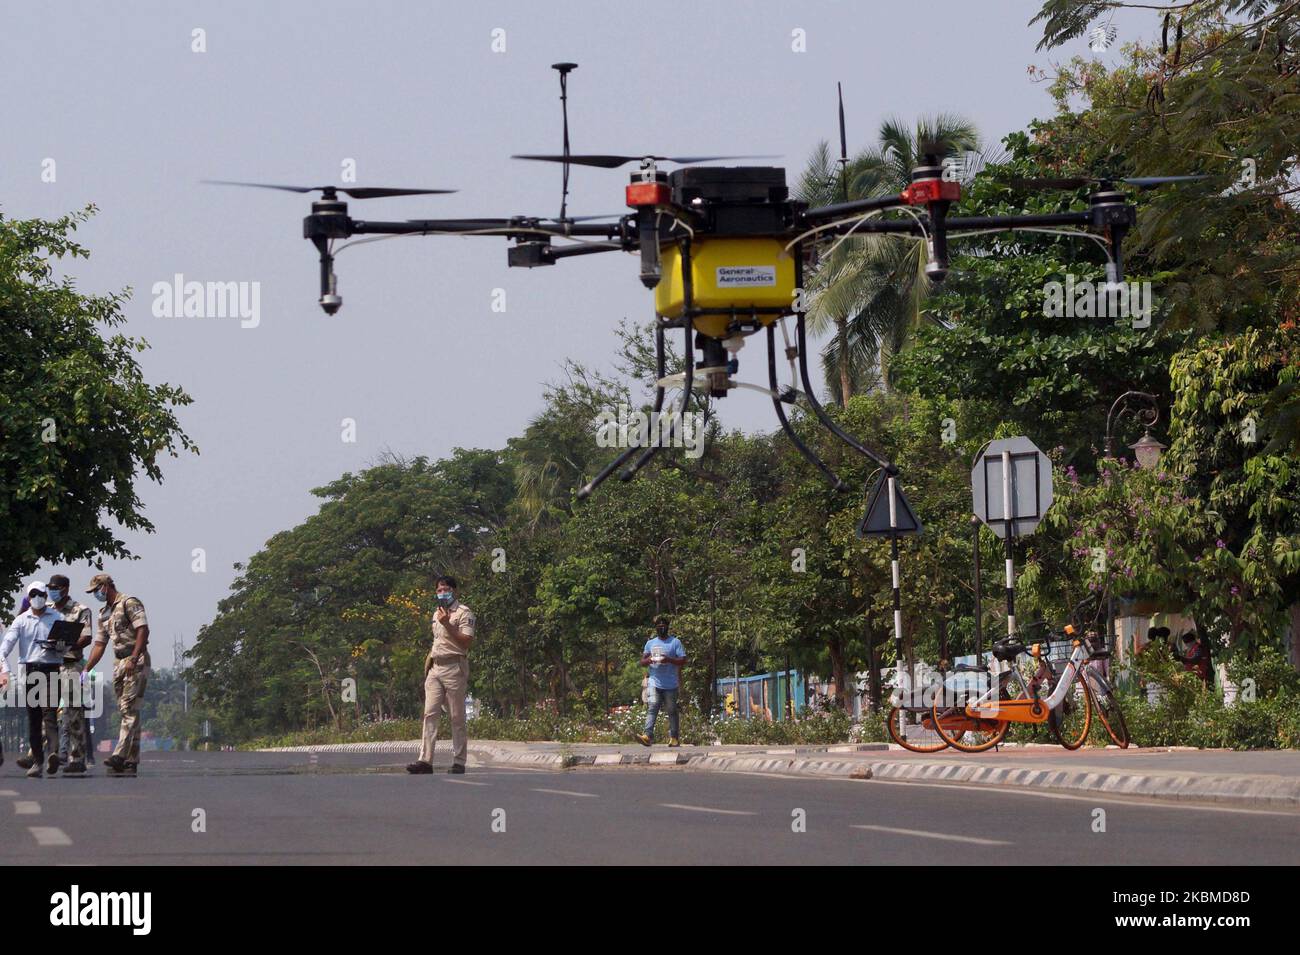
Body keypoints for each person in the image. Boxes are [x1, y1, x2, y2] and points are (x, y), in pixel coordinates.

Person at [407, 576, 476, 775]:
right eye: (439, 590)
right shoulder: (436, 613)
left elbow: (466, 642)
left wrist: (448, 624)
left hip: (455, 666)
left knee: (456, 716)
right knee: (430, 714)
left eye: (446, 589)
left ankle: (459, 761)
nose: (442, 592)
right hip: (436, 667)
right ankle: (425, 761)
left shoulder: (464, 613)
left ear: (454, 591)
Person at [82, 574, 149, 777]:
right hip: (118, 663)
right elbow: (99, 645)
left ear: (106, 586)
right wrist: (87, 668)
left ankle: (119, 754)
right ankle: (132, 759)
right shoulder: (104, 613)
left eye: (96, 590)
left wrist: (134, 657)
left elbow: (143, 630)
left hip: (135, 660)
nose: (95, 594)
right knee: (128, 711)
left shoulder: (129, 602)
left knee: (128, 708)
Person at [0, 582, 66, 777]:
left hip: (51, 668)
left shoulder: (57, 618)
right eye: (34, 594)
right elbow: (6, 646)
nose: (38, 597)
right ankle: (37, 761)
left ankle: (53, 753)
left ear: (46, 596)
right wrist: (3, 665)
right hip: (30, 671)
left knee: (50, 713)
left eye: (41, 594)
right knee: (34, 718)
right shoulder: (21, 620)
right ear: (28, 597)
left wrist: (61, 645)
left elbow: (65, 648)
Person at [47, 575, 94, 775]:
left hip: (70, 663)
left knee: (74, 712)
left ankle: (77, 758)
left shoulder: (80, 610)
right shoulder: (46, 609)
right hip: (48, 665)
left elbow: (87, 637)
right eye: (50, 587)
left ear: (65, 588)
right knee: (46, 711)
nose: (52, 591)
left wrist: (68, 644)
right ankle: (49, 753)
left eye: (55, 588)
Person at [635, 615, 686, 747]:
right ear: (656, 628)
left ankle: (674, 737)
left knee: (672, 710)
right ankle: (647, 735)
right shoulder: (650, 643)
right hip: (654, 682)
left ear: (667, 627)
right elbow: (642, 661)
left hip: (670, 684)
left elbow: (683, 660)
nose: (661, 628)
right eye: (659, 626)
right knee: (652, 708)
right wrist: (650, 659)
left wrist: (668, 659)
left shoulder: (675, 642)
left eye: (663, 626)